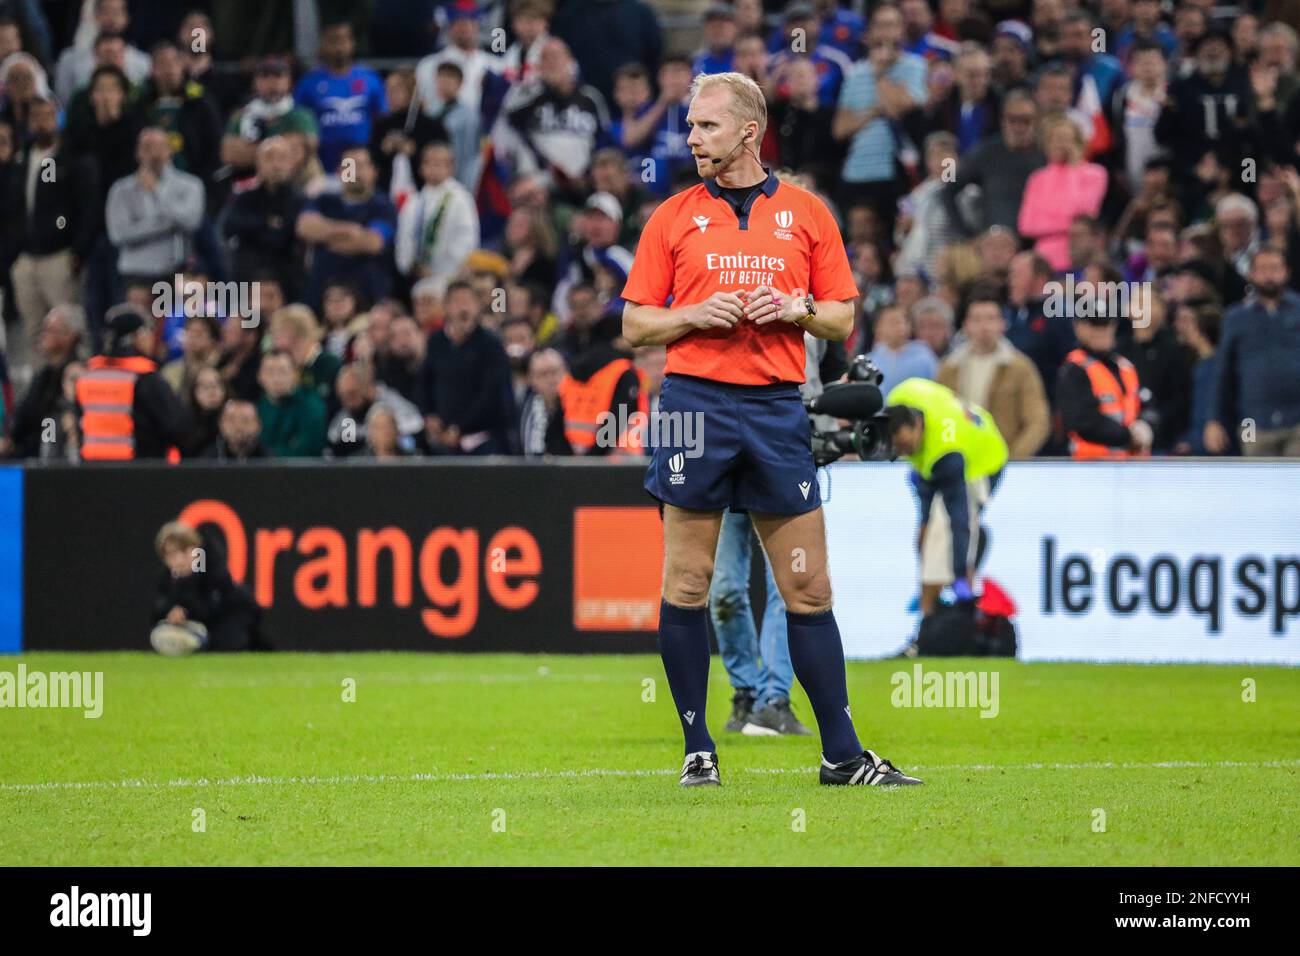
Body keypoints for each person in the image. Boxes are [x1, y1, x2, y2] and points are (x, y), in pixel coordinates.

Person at [621, 71, 921, 788]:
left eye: (706, 126)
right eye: (690, 126)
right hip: (694, 405)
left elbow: (842, 316)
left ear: (749, 132)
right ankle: (699, 749)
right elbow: (635, 325)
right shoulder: (671, 217)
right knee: (690, 581)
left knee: (809, 589)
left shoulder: (809, 214)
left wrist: (794, 307)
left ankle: (842, 756)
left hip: (776, 407)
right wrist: (695, 314)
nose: (692, 137)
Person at [884, 377, 1009, 616]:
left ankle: (941, 606)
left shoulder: (946, 451)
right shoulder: (898, 401)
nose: (903, 453)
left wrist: (959, 573)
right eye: (898, 449)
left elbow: (958, 517)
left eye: (905, 447)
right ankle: (930, 601)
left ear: (917, 426)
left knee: (941, 534)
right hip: (942, 451)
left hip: (983, 462)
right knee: (928, 529)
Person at [1206, 246, 1300, 456]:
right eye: (1263, 269)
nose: (1269, 275)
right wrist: (1214, 419)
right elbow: (1223, 372)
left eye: (1275, 268)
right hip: (1253, 422)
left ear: (1286, 271)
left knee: (1295, 485)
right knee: (1258, 483)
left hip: (1297, 421)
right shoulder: (1236, 317)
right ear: (1251, 274)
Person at [938, 290, 1050, 459]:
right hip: (959, 462)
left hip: (1004, 460)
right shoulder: (949, 368)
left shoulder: (1020, 367)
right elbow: (937, 416)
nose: (984, 326)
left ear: (1002, 324)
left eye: (991, 319)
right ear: (966, 325)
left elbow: (1038, 421)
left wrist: (1013, 458)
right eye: (977, 319)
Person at [74, 307, 189, 461]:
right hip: (138, 472)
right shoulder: (145, 379)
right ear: (137, 337)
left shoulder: (87, 377)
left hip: (93, 472)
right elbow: (177, 427)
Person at [151, 521, 267, 655]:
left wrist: (186, 609)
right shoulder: (166, 579)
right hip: (210, 622)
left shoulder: (213, 570)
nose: (179, 560)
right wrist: (172, 611)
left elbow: (210, 609)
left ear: (197, 549)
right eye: (171, 554)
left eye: (184, 551)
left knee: (226, 647)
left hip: (234, 613)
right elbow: (157, 612)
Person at [1057, 312, 1155, 460]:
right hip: (1092, 467)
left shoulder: (1126, 367)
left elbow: (1146, 404)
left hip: (1132, 466)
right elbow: (1083, 421)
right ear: (1079, 328)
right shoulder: (1075, 369)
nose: (1102, 331)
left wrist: (1147, 426)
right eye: (1095, 325)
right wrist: (1129, 436)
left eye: (1106, 324)